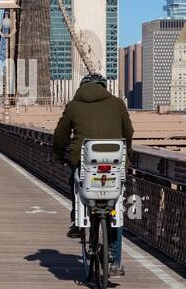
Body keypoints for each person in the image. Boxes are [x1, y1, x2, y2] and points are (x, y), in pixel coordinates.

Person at [52, 71, 135, 277]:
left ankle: (78, 221)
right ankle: (115, 262)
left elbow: (61, 134)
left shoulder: (73, 105)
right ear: (103, 86)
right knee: (115, 208)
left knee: (75, 180)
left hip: (85, 160)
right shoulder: (117, 103)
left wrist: (59, 154)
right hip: (115, 162)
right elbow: (128, 132)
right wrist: (128, 153)